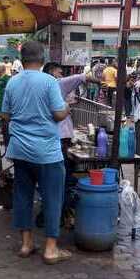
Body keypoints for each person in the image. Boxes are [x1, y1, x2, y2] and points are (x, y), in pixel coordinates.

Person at [0, 41, 71, 265]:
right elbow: (59, 115)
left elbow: (5, 115)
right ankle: (50, 249)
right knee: (52, 198)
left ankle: (26, 243)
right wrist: (67, 107)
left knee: (23, 196)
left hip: (20, 150)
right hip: (47, 152)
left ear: (21, 59)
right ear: (42, 59)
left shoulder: (13, 82)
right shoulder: (49, 82)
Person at [44, 62, 101, 220]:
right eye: (60, 72)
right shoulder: (57, 84)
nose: (61, 75)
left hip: (50, 138)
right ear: (52, 73)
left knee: (54, 179)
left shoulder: (44, 88)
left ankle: (52, 212)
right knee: (63, 178)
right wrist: (97, 79)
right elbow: (81, 77)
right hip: (60, 139)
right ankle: (60, 213)